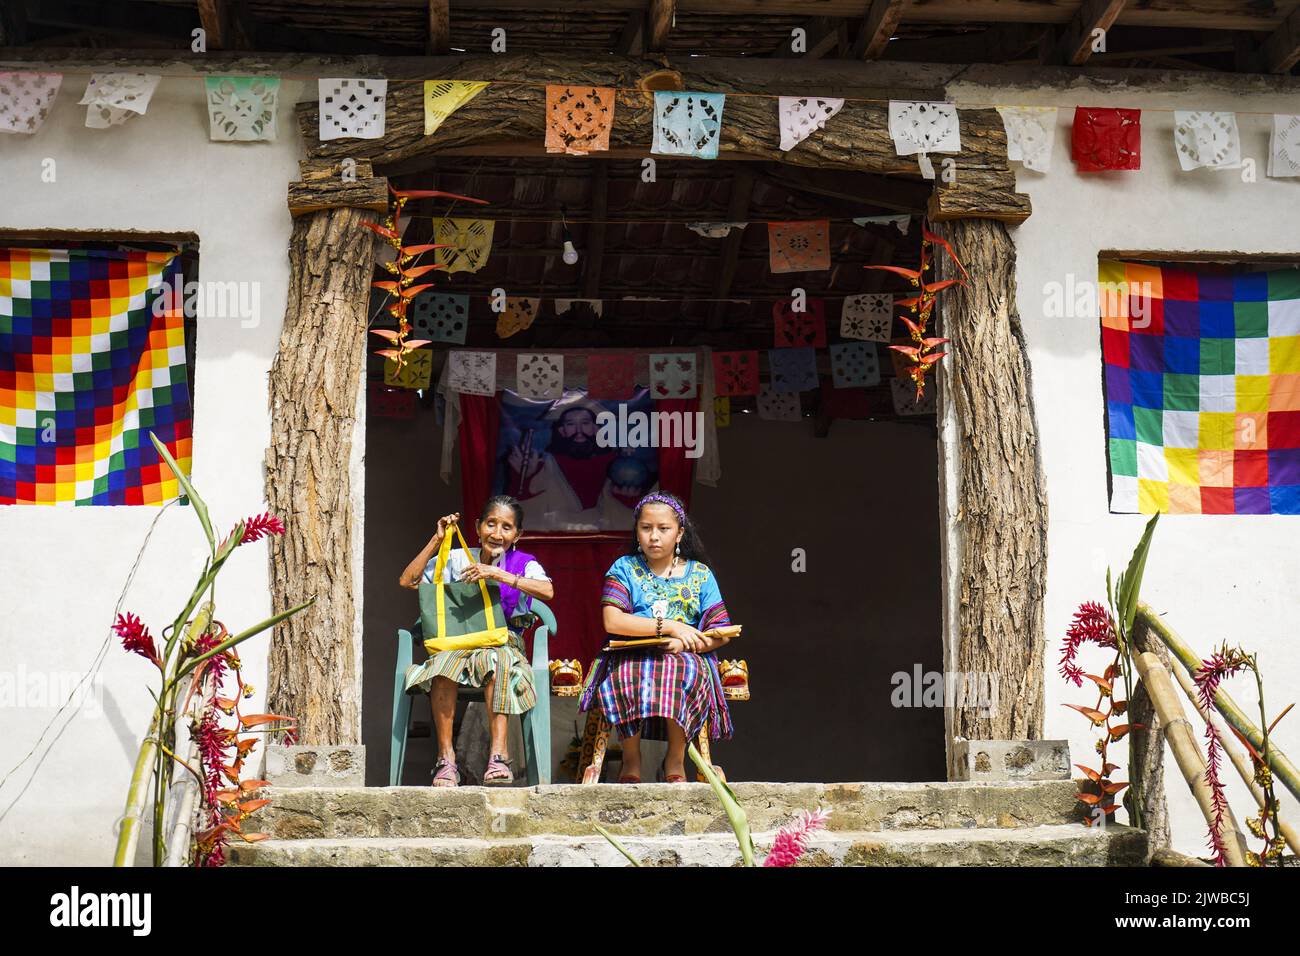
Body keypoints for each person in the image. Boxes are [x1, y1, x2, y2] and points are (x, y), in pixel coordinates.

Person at [577, 491, 734, 783]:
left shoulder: (700, 574)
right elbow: (613, 620)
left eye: (664, 529)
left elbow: (721, 631)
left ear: (679, 533)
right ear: (637, 531)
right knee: (628, 673)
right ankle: (631, 759)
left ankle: (675, 758)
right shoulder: (624, 568)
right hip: (631, 653)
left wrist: (685, 643)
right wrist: (671, 627)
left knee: (681, 671)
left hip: (685, 656)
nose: (654, 536)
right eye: (646, 528)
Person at [398, 495, 554, 787]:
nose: (497, 533)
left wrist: (499, 574)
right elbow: (408, 581)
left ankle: (498, 757)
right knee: (441, 667)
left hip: (503, 643)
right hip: (457, 644)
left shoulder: (523, 563)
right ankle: (446, 760)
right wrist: (436, 540)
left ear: (517, 534)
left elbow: (547, 591)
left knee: (497, 660)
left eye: (507, 527)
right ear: (478, 527)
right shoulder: (457, 559)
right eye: (491, 524)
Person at [506, 401, 645, 530]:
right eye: (571, 424)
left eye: (585, 423)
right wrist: (523, 479)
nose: (579, 431)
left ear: (595, 428)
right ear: (562, 430)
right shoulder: (543, 466)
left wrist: (627, 501)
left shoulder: (618, 465)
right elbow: (526, 518)